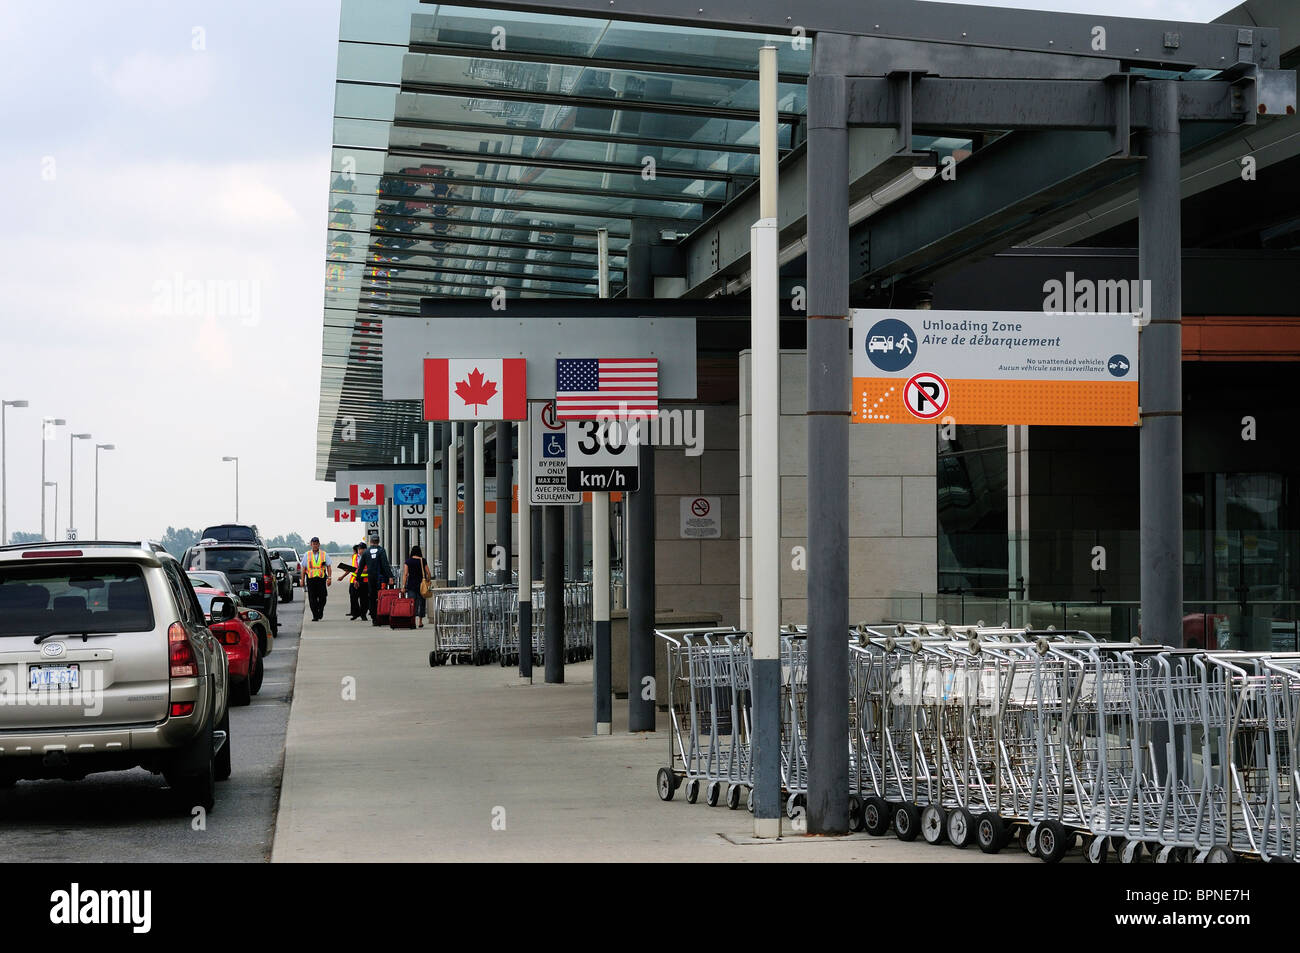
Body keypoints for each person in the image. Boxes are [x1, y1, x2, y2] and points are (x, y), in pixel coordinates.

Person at [355, 533, 395, 627]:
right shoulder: (381, 551)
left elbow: (360, 567)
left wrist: (357, 579)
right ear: (378, 541)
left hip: (371, 579)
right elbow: (385, 565)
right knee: (381, 597)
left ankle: (374, 618)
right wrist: (390, 577)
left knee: (372, 597)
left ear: (370, 542)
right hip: (381, 579)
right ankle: (381, 616)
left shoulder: (366, 552)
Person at [400, 544, 432, 629]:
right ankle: (420, 621)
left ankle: (412, 621)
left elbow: (405, 574)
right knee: (421, 603)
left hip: (411, 585)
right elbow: (428, 573)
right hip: (422, 585)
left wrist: (403, 586)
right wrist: (428, 580)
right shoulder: (423, 560)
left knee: (412, 603)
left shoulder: (408, 561)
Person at [300, 537, 332, 621]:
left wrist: (329, 578)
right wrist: (302, 580)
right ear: (311, 545)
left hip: (321, 579)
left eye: (316, 544)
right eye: (313, 544)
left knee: (323, 597)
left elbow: (328, 566)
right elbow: (303, 568)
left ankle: (320, 610)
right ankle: (315, 615)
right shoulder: (307, 555)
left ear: (319, 544)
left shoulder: (324, 554)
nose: (315, 545)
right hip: (311, 579)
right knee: (312, 598)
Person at [342, 542, 368, 621]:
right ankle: (356, 613)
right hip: (354, 579)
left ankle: (363, 614)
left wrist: (364, 571)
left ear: (365, 549)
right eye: (359, 549)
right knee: (353, 598)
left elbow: (370, 568)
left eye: (362, 549)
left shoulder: (368, 557)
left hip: (365, 580)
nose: (360, 551)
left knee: (364, 599)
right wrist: (345, 568)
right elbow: (351, 567)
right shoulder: (354, 557)